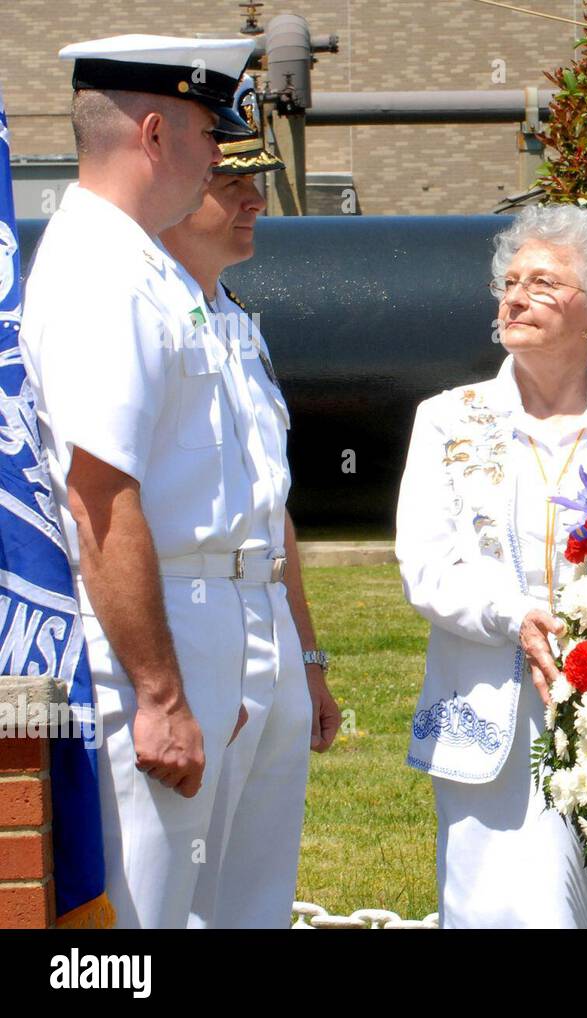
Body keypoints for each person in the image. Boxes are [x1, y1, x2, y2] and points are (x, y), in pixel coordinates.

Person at [18, 35, 321, 928]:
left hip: (224, 612)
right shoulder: (101, 273)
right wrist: (159, 694)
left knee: (237, 904)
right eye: (206, 133)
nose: (220, 160)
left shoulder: (152, 271)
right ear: (154, 134)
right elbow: (99, 496)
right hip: (165, 623)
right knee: (148, 912)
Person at [395, 204, 587, 928]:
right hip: (487, 715)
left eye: (544, 284)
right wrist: (512, 614)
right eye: (509, 282)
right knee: (491, 904)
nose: (515, 298)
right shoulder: (447, 418)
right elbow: (426, 562)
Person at [157, 74, 340, 928]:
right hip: (185, 614)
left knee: (256, 885)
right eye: (232, 184)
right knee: (175, 880)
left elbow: (272, 510)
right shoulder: (143, 310)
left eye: (256, 182)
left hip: (261, 617)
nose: (254, 201)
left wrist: (309, 659)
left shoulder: (238, 319)